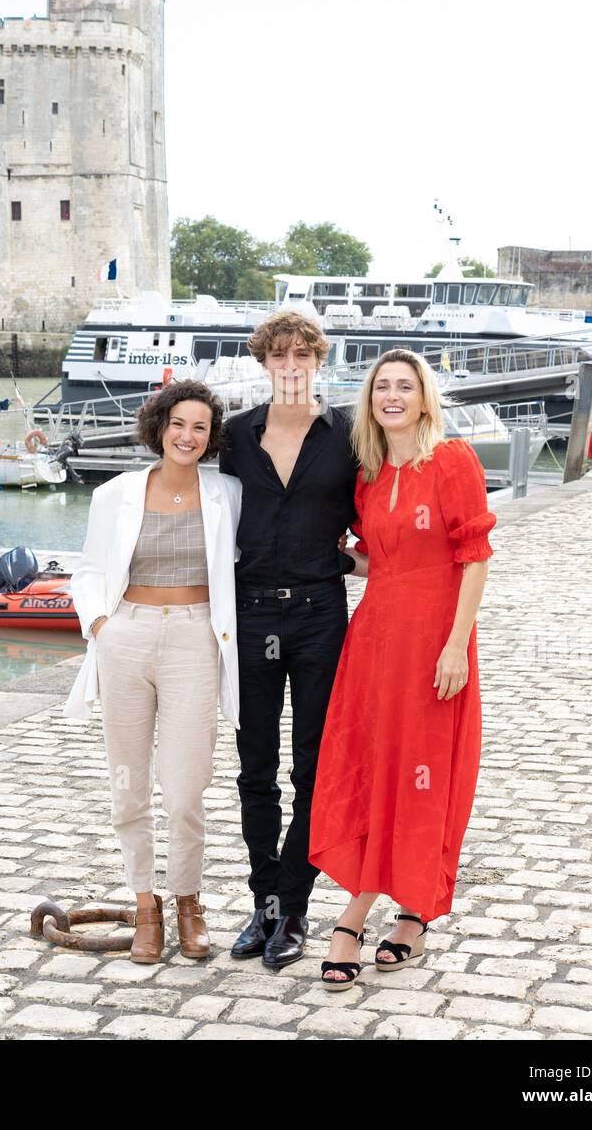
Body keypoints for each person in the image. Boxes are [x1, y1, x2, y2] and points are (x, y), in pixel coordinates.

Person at [309, 347, 496, 989]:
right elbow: (381, 562)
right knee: (372, 765)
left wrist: (454, 645)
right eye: (381, 387)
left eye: (404, 387)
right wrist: (337, 556)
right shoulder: (368, 474)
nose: (392, 396)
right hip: (376, 637)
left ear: (424, 397)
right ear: (370, 400)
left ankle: (360, 913)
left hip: (433, 638)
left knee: (422, 769)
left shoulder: (452, 459)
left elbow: (473, 557)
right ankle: (407, 911)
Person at [64, 379, 242, 963]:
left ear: (211, 437)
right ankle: (146, 905)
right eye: (178, 424)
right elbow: (89, 573)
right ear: (159, 427)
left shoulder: (229, 494)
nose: (188, 436)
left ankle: (188, 900)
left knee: (187, 788)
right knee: (128, 786)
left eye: (200, 427)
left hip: (196, 638)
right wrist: (100, 628)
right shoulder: (114, 494)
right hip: (126, 637)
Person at [218, 310, 360, 968]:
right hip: (250, 615)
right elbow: (202, 514)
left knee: (311, 767)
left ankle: (295, 907)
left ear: (318, 361)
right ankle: (264, 905)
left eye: (304, 353)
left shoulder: (348, 435)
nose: (292, 363)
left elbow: (376, 518)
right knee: (256, 770)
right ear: (265, 362)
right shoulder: (237, 436)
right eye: (281, 354)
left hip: (318, 615)